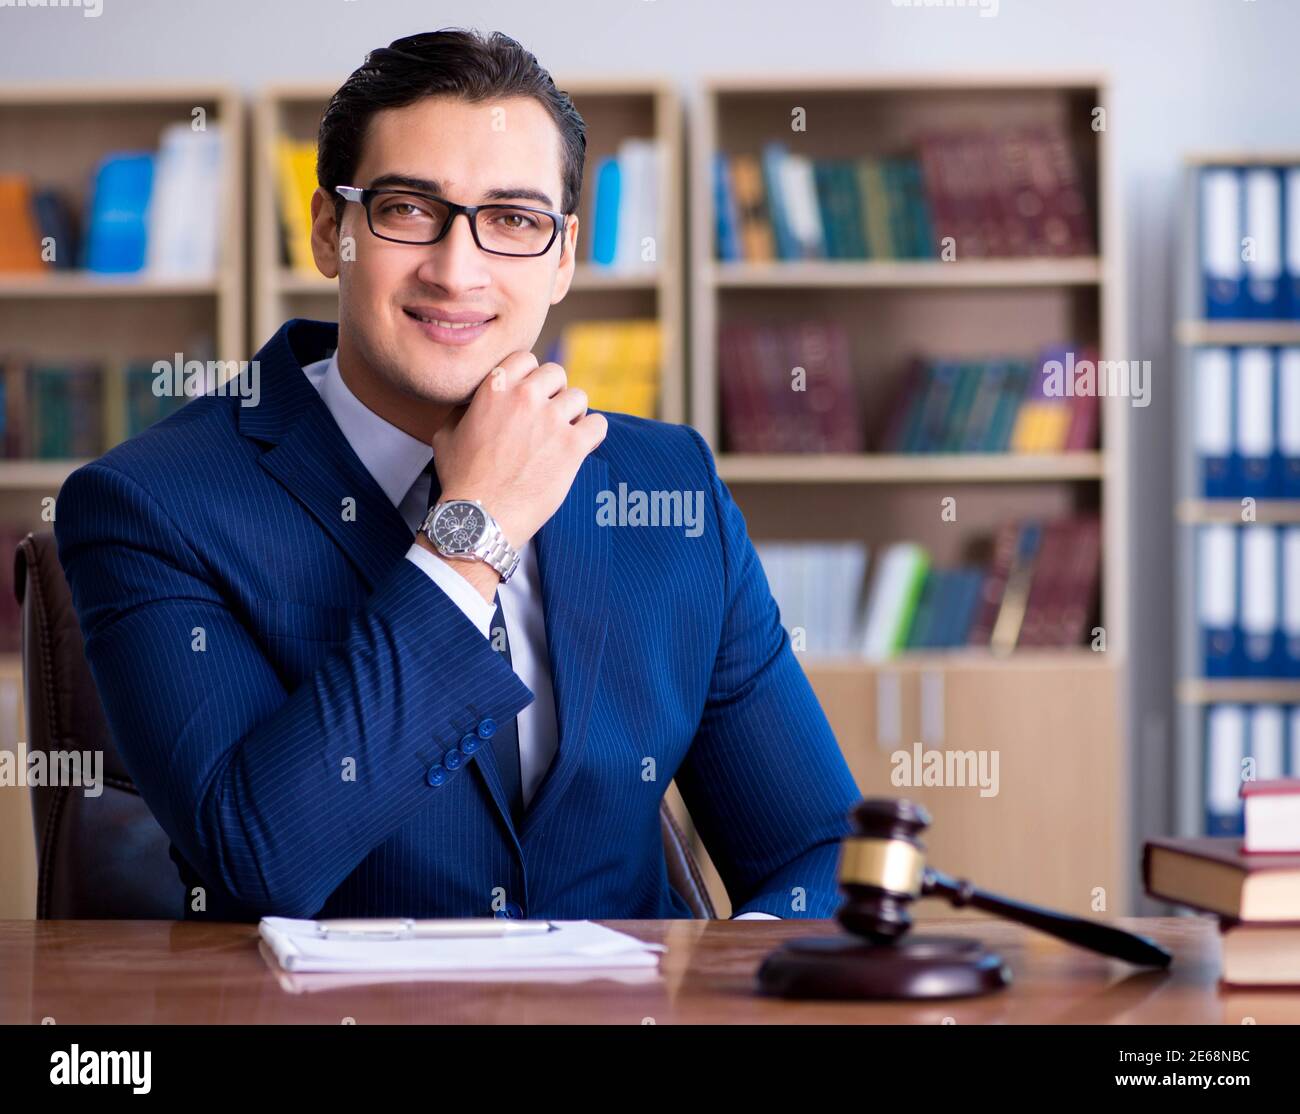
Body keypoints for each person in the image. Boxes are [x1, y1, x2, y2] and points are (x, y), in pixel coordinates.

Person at [54, 28, 861, 923]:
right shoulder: (153, 505)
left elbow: (817, 848)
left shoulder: (669, 490)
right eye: (406, 209)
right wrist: (471, 535)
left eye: (514, 220)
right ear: (331, 233)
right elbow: (257, 862)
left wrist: (736, 982)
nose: (457, 269)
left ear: (562, 257)